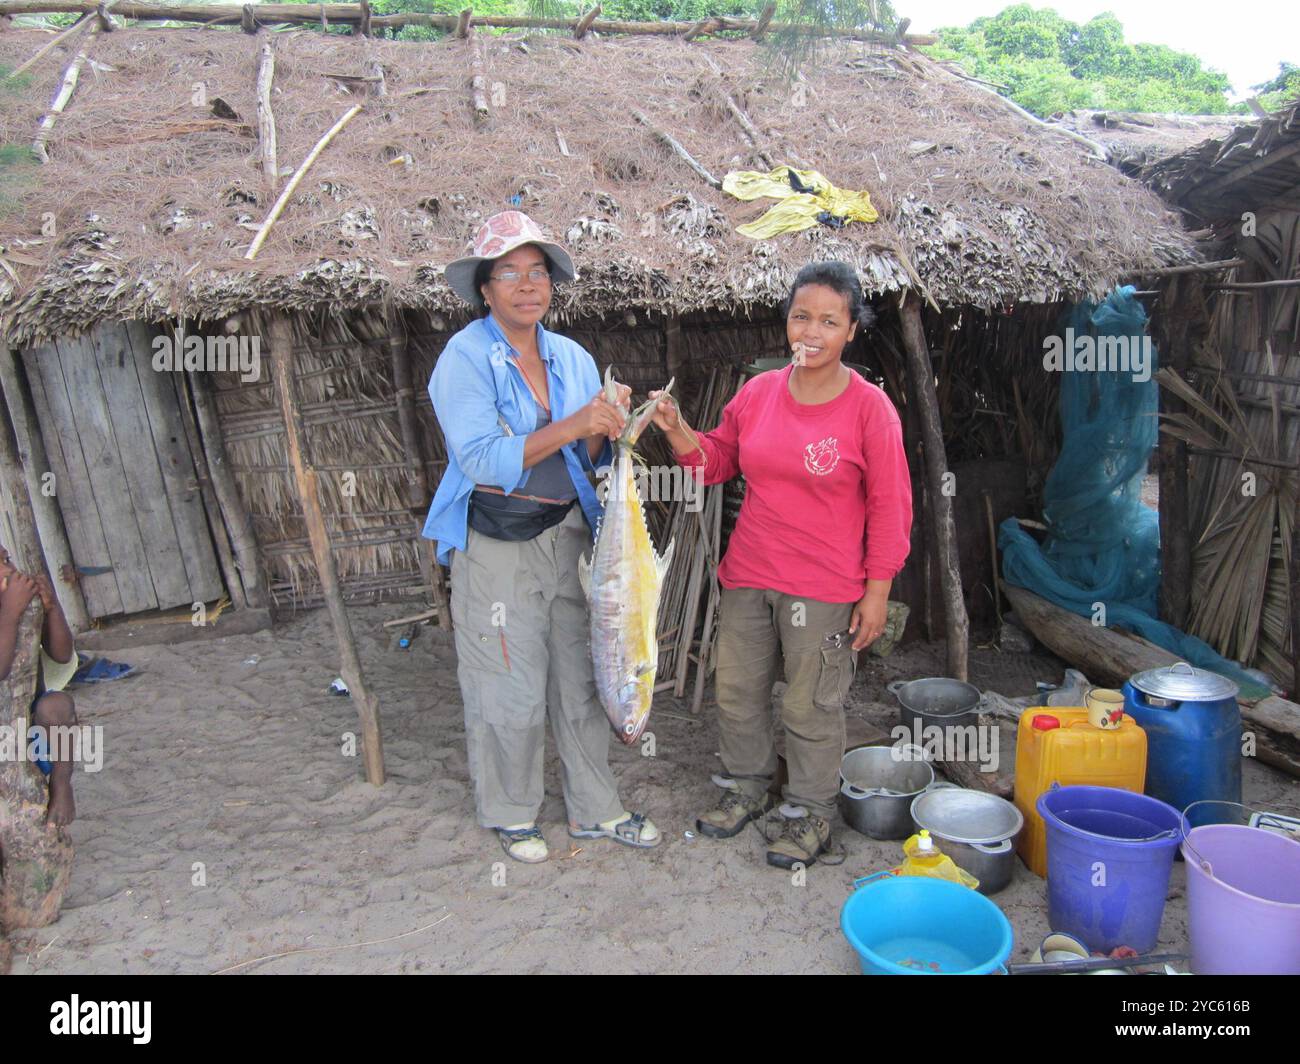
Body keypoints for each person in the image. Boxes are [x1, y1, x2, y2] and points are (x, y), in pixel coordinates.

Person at [650, 261, 913, 869]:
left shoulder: (870, 409)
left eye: (829, 320)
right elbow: (713, 464)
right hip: (750, 574)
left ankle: (810, 812)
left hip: (824, 586)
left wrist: (877, 593)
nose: (811, 332)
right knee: (737, 692)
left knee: (810, 704)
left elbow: (891, 505)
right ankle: (745, 787)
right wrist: (677, 427)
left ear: (851, 330)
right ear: (786, 321)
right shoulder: (760, 392)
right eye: (801, 317)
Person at [424, 211, 661, 863]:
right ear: (485, 289)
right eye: (509, 273)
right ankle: (511, 811)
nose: (527, 285)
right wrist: (576, 420)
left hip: (571, 536)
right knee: (508, 683)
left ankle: (595, 808)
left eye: (537, 272)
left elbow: (583, 452)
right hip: (497, 545)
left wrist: (611, 422)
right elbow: (480, 458)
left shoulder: (573, 357)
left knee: (587, 678)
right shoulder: (465, 358)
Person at [0, 546, 79, 826]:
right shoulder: (13, 606)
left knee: (57, 705)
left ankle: (61, 784)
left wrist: (52, 607)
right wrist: (9, 612)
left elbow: (62, 654)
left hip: (31, 735)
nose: (9, 571)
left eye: (6, 559)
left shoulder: (23, 606)